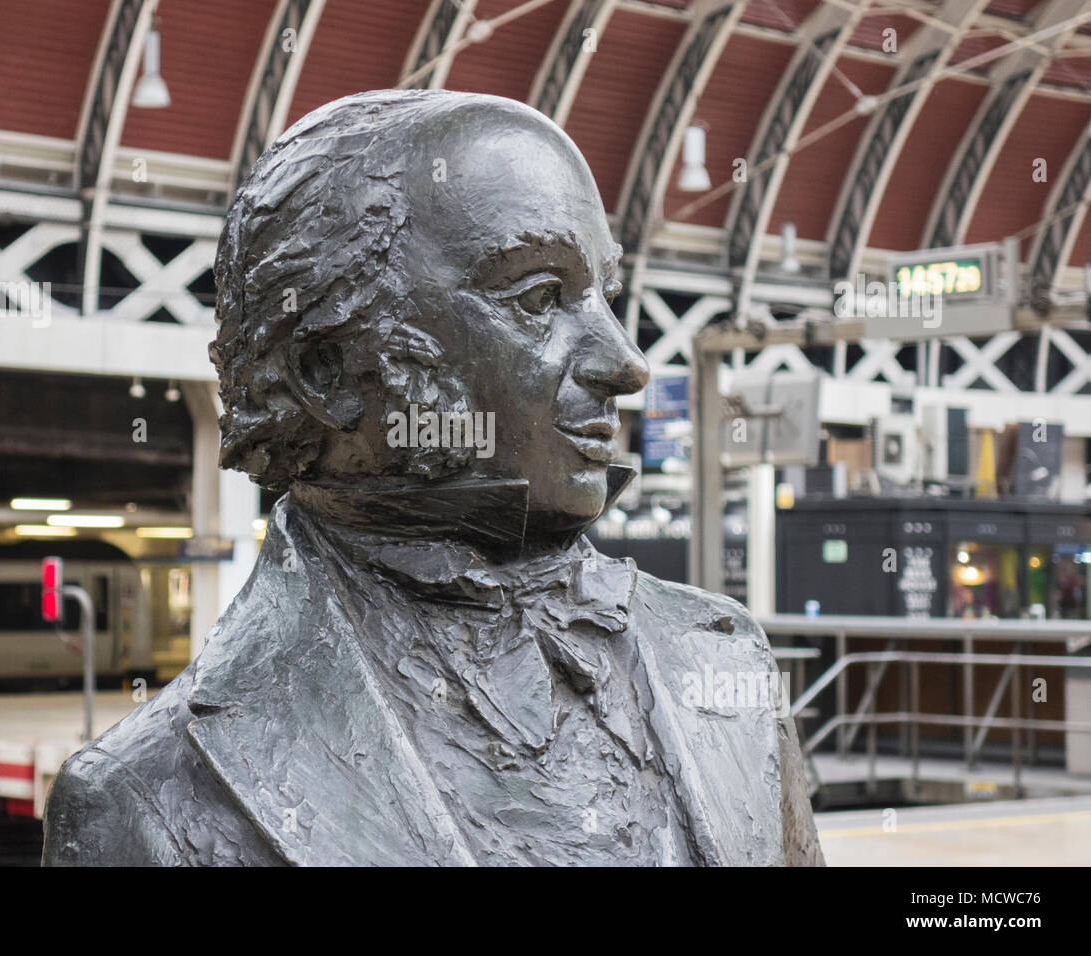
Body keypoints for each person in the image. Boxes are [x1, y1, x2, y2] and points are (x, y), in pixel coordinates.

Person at [42, 89, 824, 866]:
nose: (626, 363)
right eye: (539, 298)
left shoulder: (725, 661)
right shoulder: (145, 798)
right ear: (330, 370)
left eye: (604, 296)